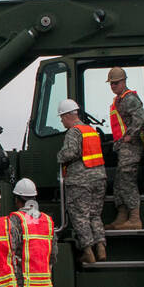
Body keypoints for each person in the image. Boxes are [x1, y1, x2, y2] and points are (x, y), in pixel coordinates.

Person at [55, 97, 107, 263]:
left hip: (80, 180)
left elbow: (70, 153)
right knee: (95, 215)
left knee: (80, 215)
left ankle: (88, 251)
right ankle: (101, 247)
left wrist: (59, 156)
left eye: (62, 118)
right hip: (99, 178)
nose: (62, 122)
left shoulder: (74, 132)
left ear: (68, 116)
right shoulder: (91, 130)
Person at [107, 67, 144, 230]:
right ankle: (122, 217)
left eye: (116, 83)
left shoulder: (129, 98)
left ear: (123, 82)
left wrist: (130, 135)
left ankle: (135, 218)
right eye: (111, 83)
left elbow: (141, 118)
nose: (113, 86)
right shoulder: (120, 99)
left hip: (131, 148)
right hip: (123, 148)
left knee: (127, 180)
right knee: (120, 182)